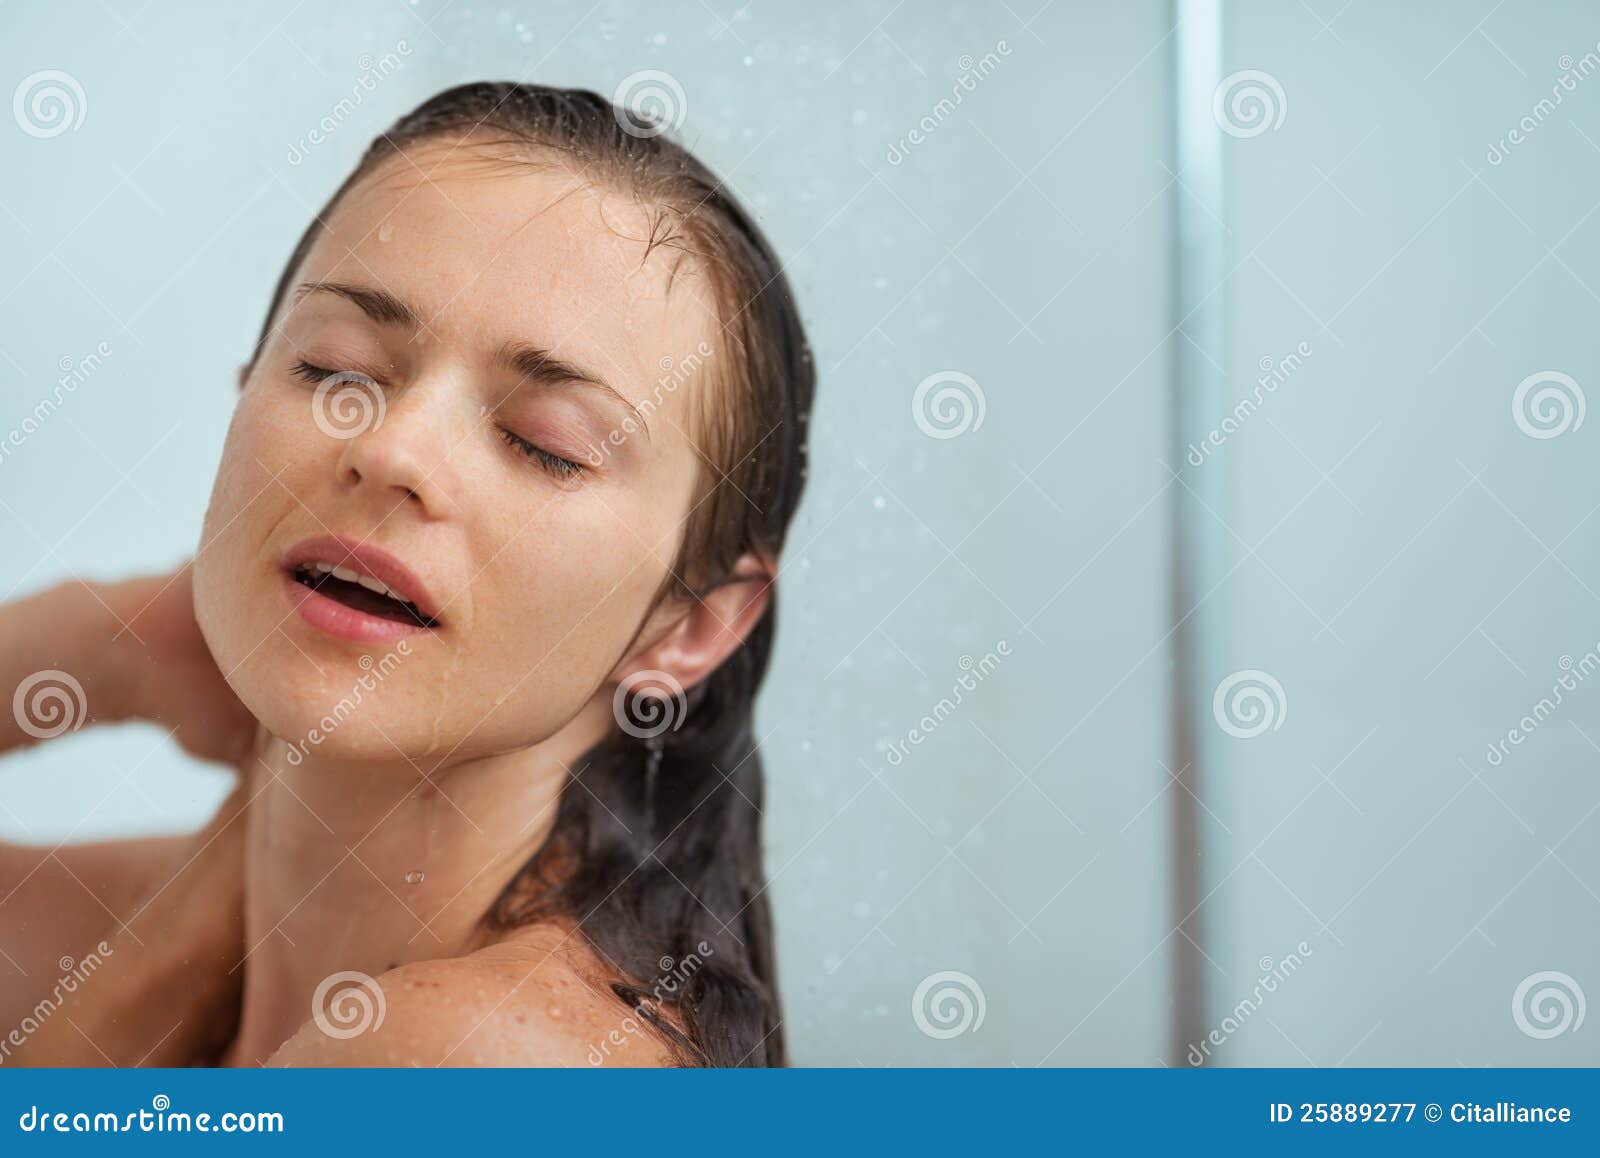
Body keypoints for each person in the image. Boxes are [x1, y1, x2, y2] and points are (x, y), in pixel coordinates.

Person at [0, 82, 814, 1068]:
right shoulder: (108, 932)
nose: (391, 450)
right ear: (242, 393)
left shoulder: (490, 1060)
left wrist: (164, 958)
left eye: (543, 444)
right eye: (336, 372)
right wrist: (100, 644)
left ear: (691, 628)